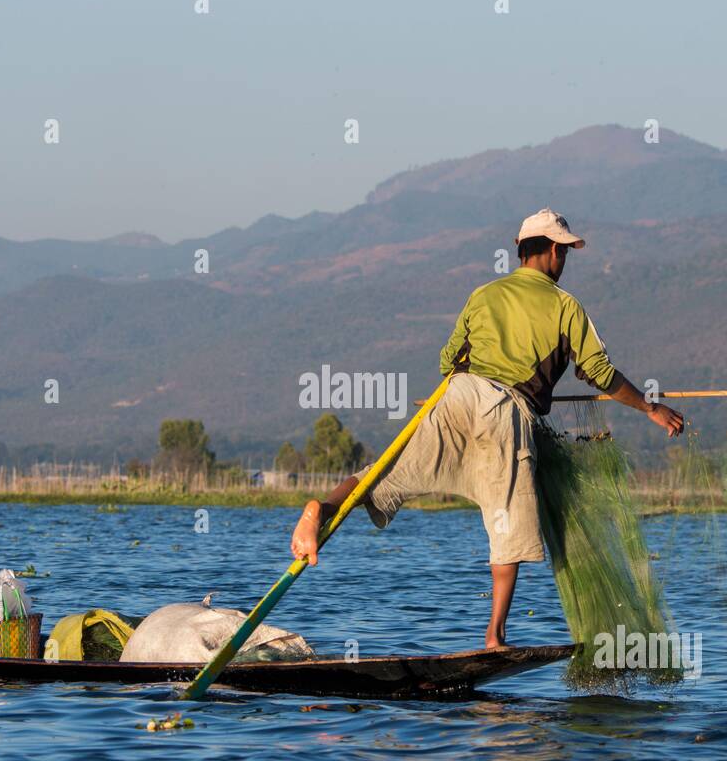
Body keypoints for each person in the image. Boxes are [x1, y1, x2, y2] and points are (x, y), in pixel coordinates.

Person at [290, 208, 684, 647]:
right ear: (554, 251)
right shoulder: (565, 305)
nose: (566, 260)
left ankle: (321, 510)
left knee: (383, 474)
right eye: (566, 252)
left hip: (456, 395)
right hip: (506, 411)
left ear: (521, 251)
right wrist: (650, 409)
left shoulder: (483, 294)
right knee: (507, 522)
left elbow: (448, 359)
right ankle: (495, 635)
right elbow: (598, 371)